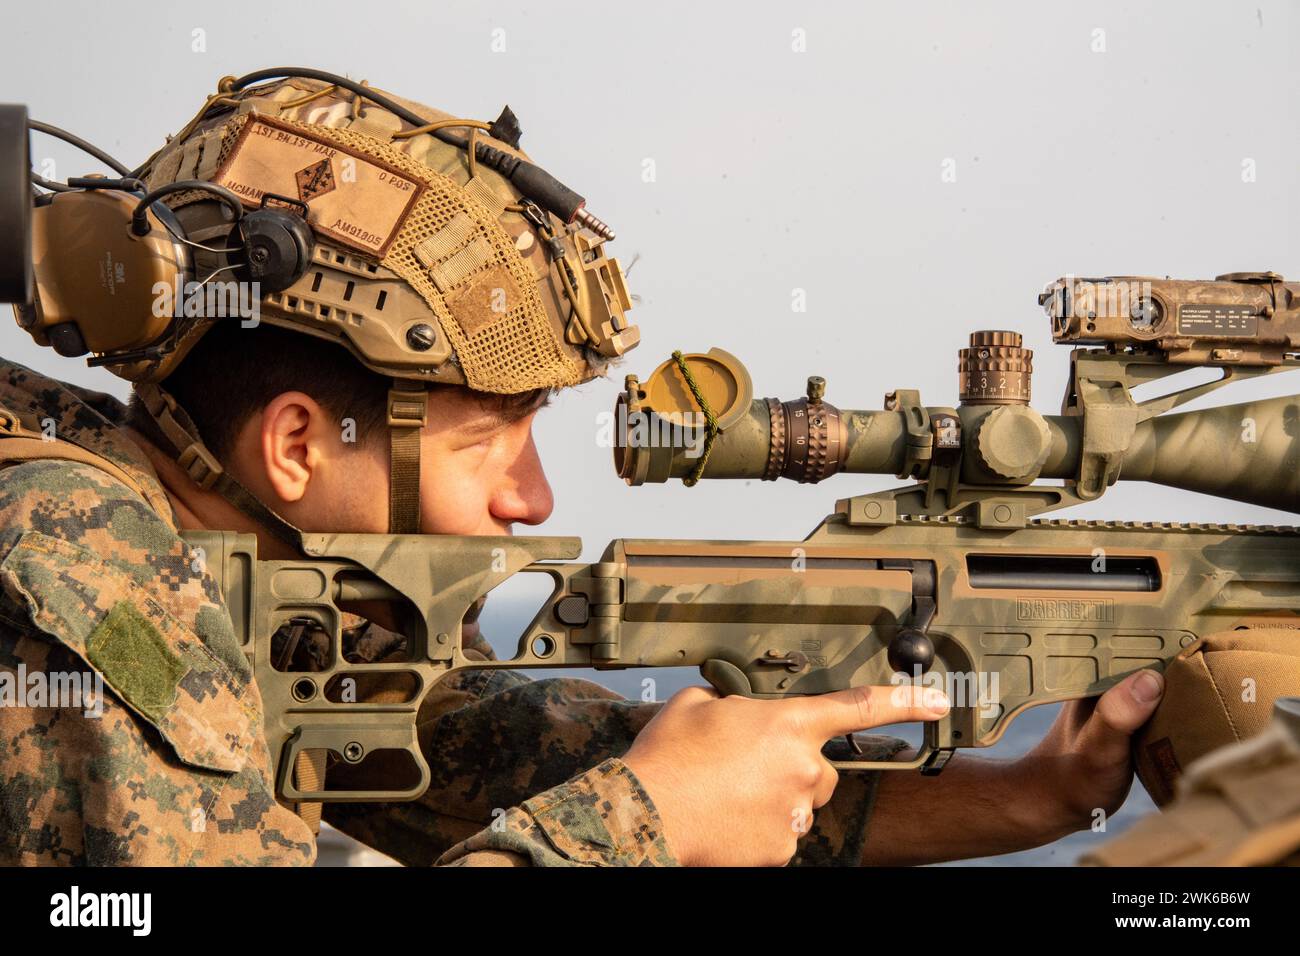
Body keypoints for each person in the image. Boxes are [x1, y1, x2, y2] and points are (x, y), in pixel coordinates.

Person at [0, 72, 1164, 866]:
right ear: (302, 446)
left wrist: (1028, 792)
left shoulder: (262, 574)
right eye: (483, 441)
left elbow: (482, 749)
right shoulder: (81, 576)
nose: (533, 498)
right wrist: (643, 825)